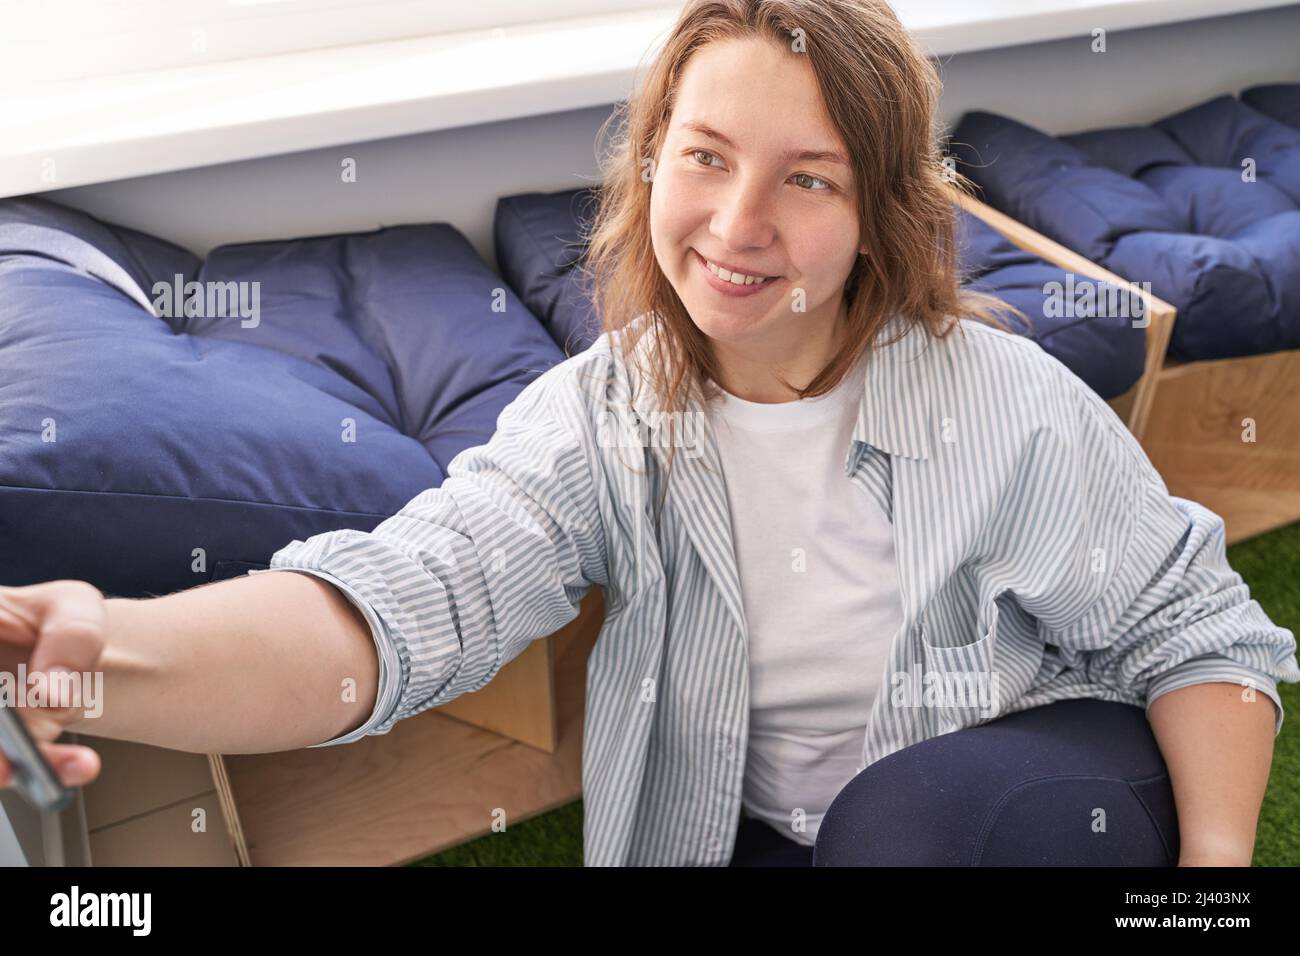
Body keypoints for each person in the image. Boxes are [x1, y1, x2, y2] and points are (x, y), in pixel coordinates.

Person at [1, 0, 1296, 867]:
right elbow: (388, 612)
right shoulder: (601, 416)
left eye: (808, 177)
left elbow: (1204, 638)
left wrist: (1214, 880)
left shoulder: (1004, 400)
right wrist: (100, 651)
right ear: (648, 168)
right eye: (704, 157)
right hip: (766, 827)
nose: (736, 226)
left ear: (878, 213)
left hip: (1024, 783)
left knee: (905, 825)